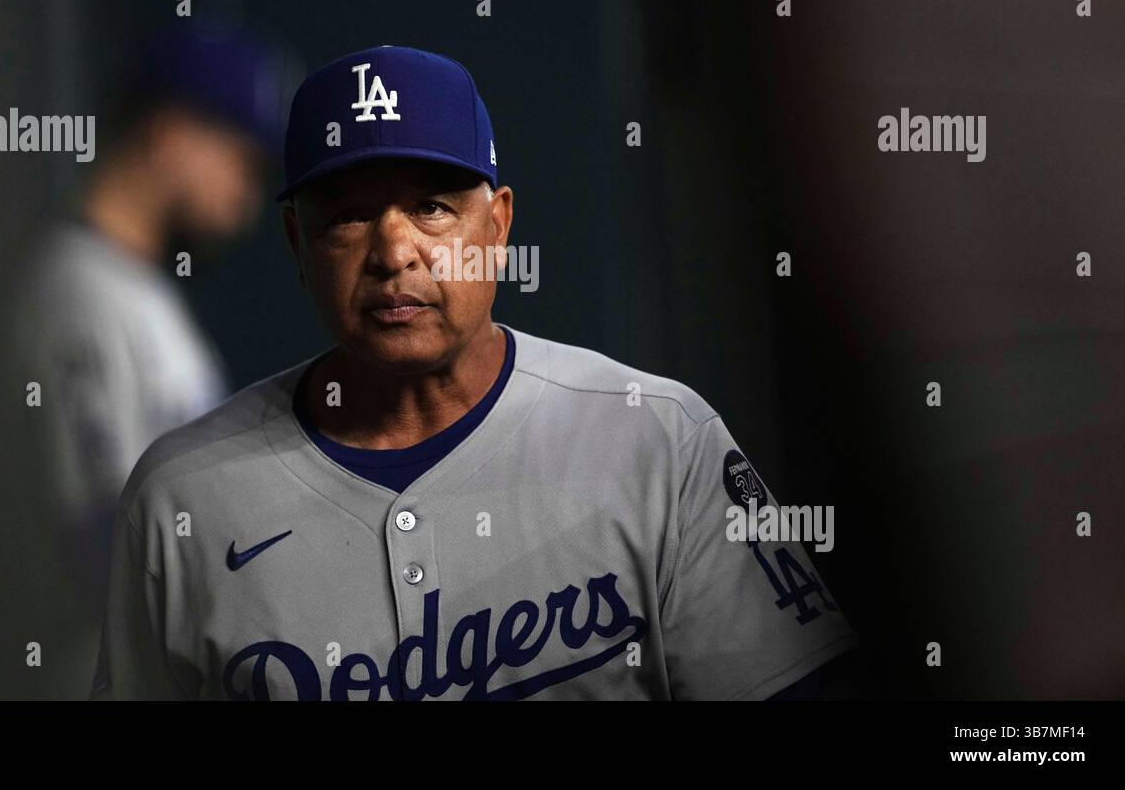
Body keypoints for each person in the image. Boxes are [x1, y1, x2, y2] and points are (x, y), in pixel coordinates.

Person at [90, 45, 859, 700]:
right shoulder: (181, 499)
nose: (394, 254)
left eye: (430, 206)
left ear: (498, 226)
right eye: (350, 216)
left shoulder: (658, 439)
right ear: (298, 242)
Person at [12, 26, 294, 690]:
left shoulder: (139, 290)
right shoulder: (76, 290)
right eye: (241, 162)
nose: (246, 195)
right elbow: (99, 543)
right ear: (168, 136)